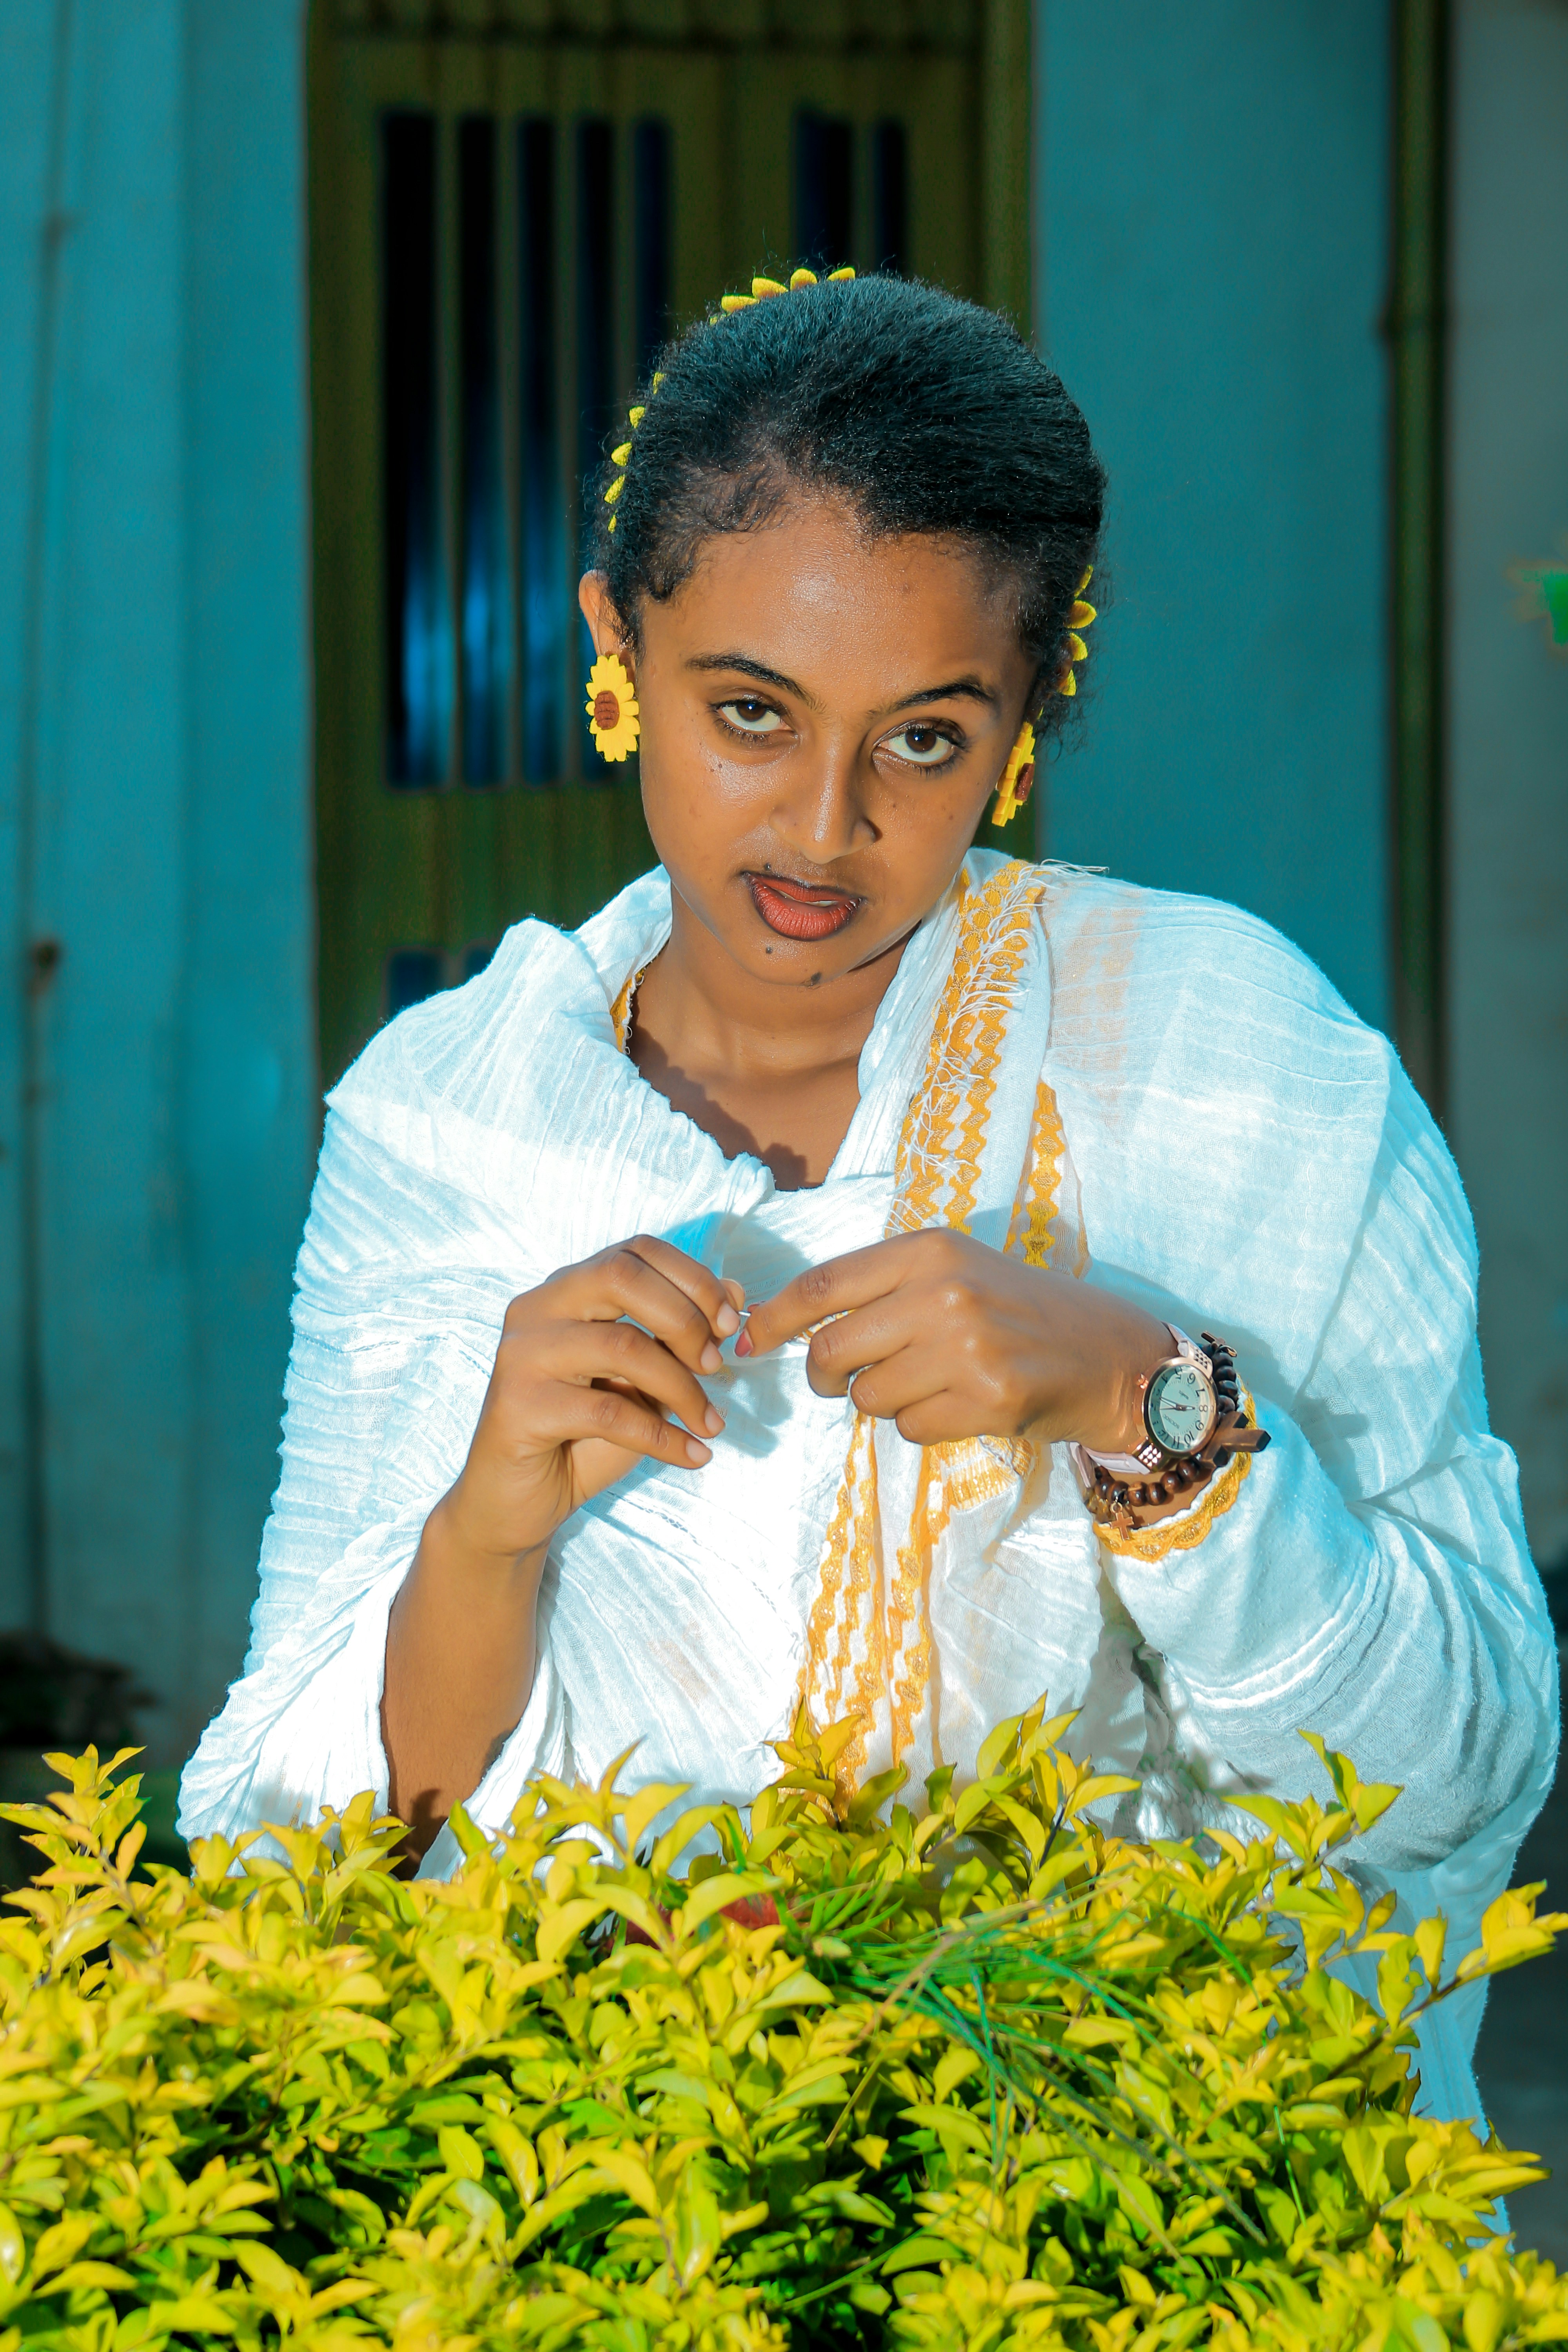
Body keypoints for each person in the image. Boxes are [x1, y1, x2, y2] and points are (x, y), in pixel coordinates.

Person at [181, 270, 1554, 2120]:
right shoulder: (454, 1116)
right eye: (749, 712)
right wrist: (487, 1532)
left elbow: (1463, 1765)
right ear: (615, 643)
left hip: (1116, 2203)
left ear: (1023, 717)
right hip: (606, 2195)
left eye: (921, 738)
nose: (823, 828)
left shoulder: (1234, 1064)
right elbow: (308, 1861)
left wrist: (1147, 1400)